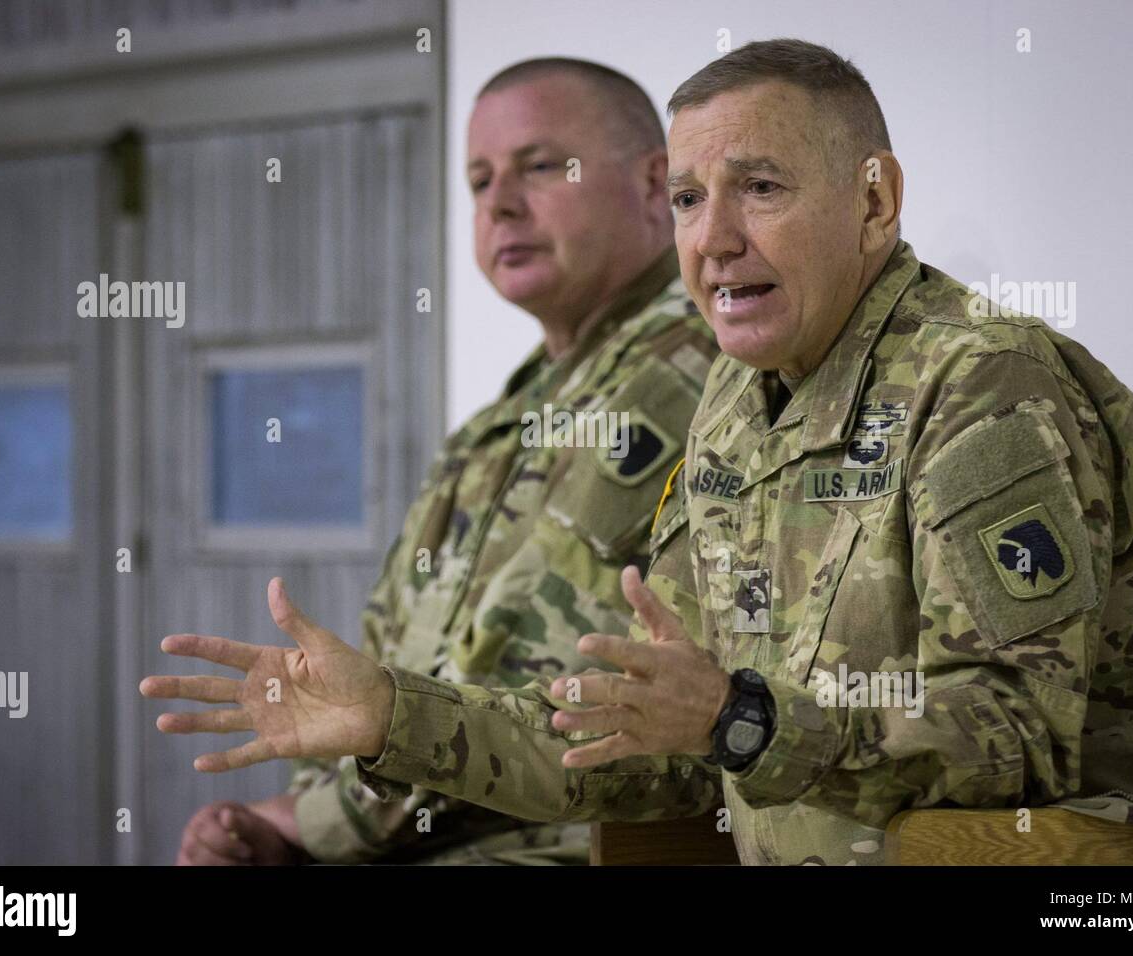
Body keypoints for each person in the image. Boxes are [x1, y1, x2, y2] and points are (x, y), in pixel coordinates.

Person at [144, 39, 1133, 864]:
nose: (711, 242)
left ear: (874, 201)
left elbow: (1022, 738)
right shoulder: (732, 401)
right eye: (688, 200)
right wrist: (392, 714)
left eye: (760, 187)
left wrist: (740, 719)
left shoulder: (982, 387)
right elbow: (636, 732)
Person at [163, 57, 717, 865]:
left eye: (538, 166)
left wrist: (304, 826)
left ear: (652, 183)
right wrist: (296, 818)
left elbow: (533, 678)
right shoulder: (499, 425)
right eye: (479, 180)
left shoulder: (696, 370)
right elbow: (382, 667)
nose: (500, 204)